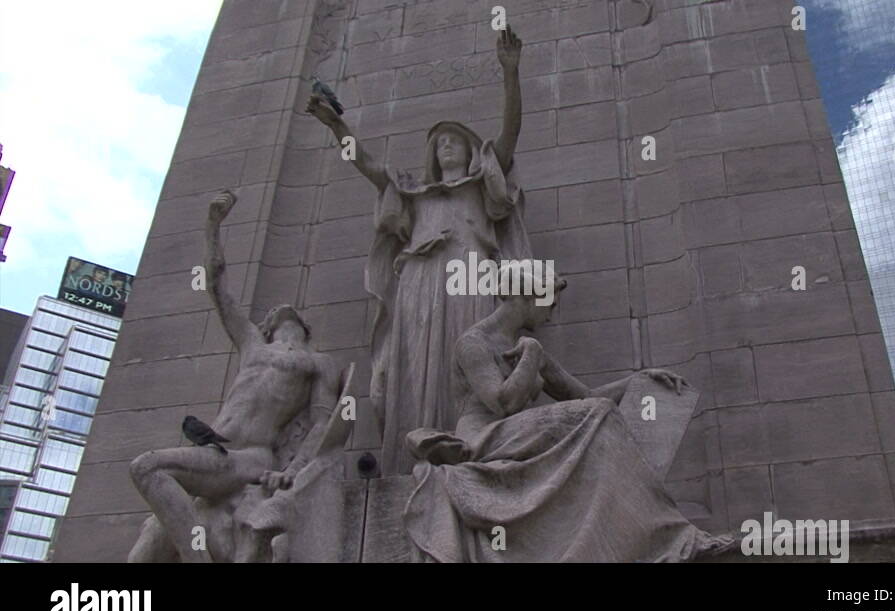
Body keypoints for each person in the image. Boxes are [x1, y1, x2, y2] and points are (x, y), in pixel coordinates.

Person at [307, 27, 531, 475]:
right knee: (412, 364)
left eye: (455, 139)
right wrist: (337, 127)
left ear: (470, 149)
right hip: (417, 280)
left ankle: (472, 453)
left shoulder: (481, 181)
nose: (446, 145)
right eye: (439, 141)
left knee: (467, 356)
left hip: (470, 274)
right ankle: (412, 453)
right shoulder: (414, 192)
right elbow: (366, 164)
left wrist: (511, 73)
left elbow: (509, 134)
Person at [403, 265, 734, 562]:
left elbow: (586, 398)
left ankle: (652, 530)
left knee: (601, 418)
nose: (551, 314)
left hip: (516, 434)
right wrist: (532, 354)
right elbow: (503, 404)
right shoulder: (473, 343)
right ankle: (668, 533)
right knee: (598, 416)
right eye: (550, 303)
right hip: (483, 436)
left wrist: (638, 380)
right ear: (529, 295)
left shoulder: (531, 349)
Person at [128, 191, 346, 563]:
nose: (281, 309)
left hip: (249, 457)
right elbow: (217, 286)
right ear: (267, 324)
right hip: (214, 451)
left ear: (305, 328)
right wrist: (213, 224)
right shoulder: (252, 344)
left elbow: (322, 426)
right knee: (142, 554)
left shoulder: (318, 363)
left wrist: (291, 472)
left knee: (146, 466)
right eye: (275, 310)